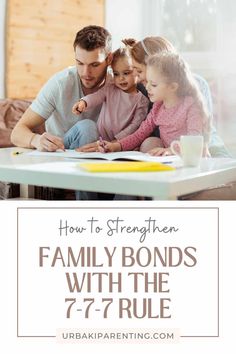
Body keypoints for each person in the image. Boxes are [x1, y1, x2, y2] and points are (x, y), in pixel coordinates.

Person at [10, 25, 113, 151]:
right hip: (61, 151)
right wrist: (35, 140)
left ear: (109, 59)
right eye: (80, 63)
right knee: (87, 129)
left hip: (104, 154)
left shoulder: (118, 83)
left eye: (94, 65)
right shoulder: (60, 83)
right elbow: (17, 133)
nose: (86, 73)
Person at [97, 52, 211, 155]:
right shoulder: (158, 107)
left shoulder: (190, 105)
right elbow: (139, 134)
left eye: (154, 84)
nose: (147, 88)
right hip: (167, 157)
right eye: (148, 82)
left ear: (173, 87)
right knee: (150, 142)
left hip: (189, 157)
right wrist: (115, 146)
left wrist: (171, 151)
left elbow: (194, 139)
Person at [72, 46, 149, 144]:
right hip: (99, 138)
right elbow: (96, 97)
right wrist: (84, 102)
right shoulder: (110, 89)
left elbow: (135, 125)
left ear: (137, 71)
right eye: (116, 74)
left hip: (120, 142)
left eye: (126, 73)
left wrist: (116, 141)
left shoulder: (142, 100)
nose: (121, 78)